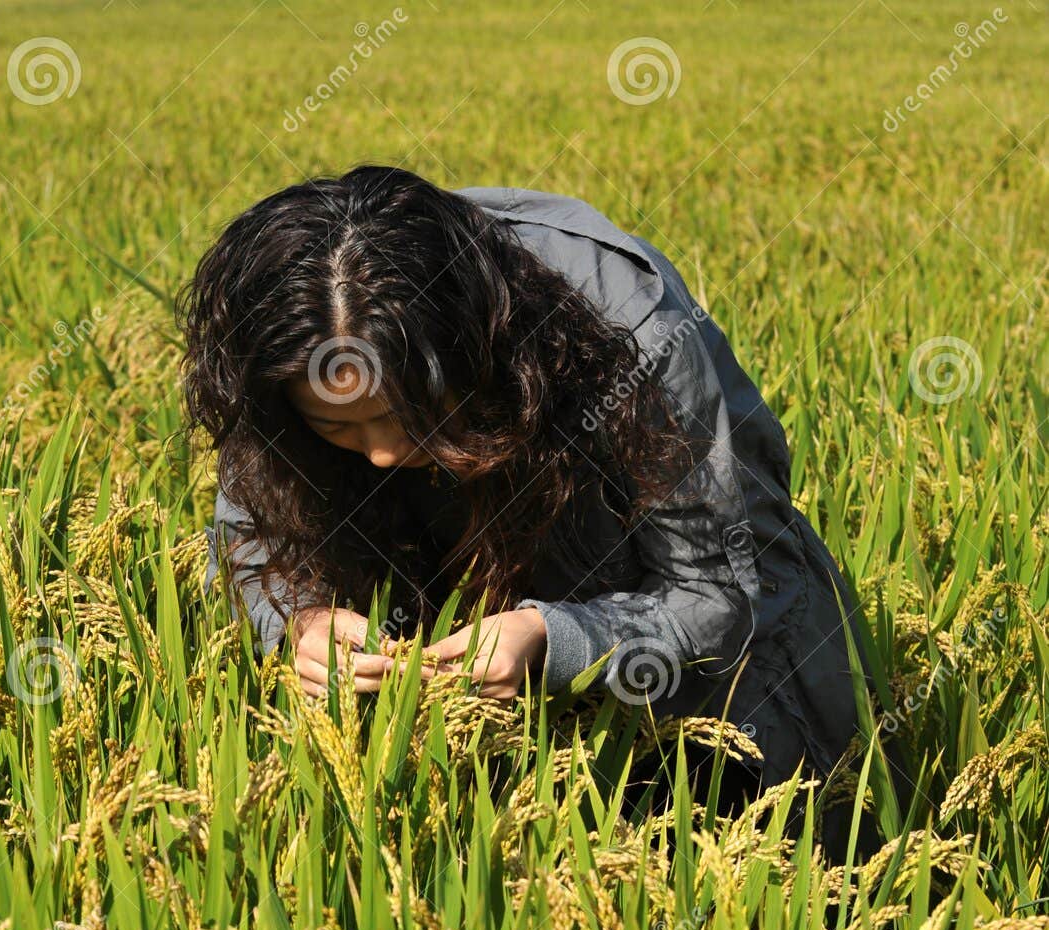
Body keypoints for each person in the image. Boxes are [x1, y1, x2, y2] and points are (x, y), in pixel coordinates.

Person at [178, 163, 878, 837]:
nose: (384, 453)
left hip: (714, 694)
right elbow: (250, 541)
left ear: (473, 350)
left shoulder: (631, 328)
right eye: (336, 426)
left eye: (406, 414)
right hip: (478, 727)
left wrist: (552, 639)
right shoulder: (280, 352)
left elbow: (718, 589)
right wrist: (302, 619)